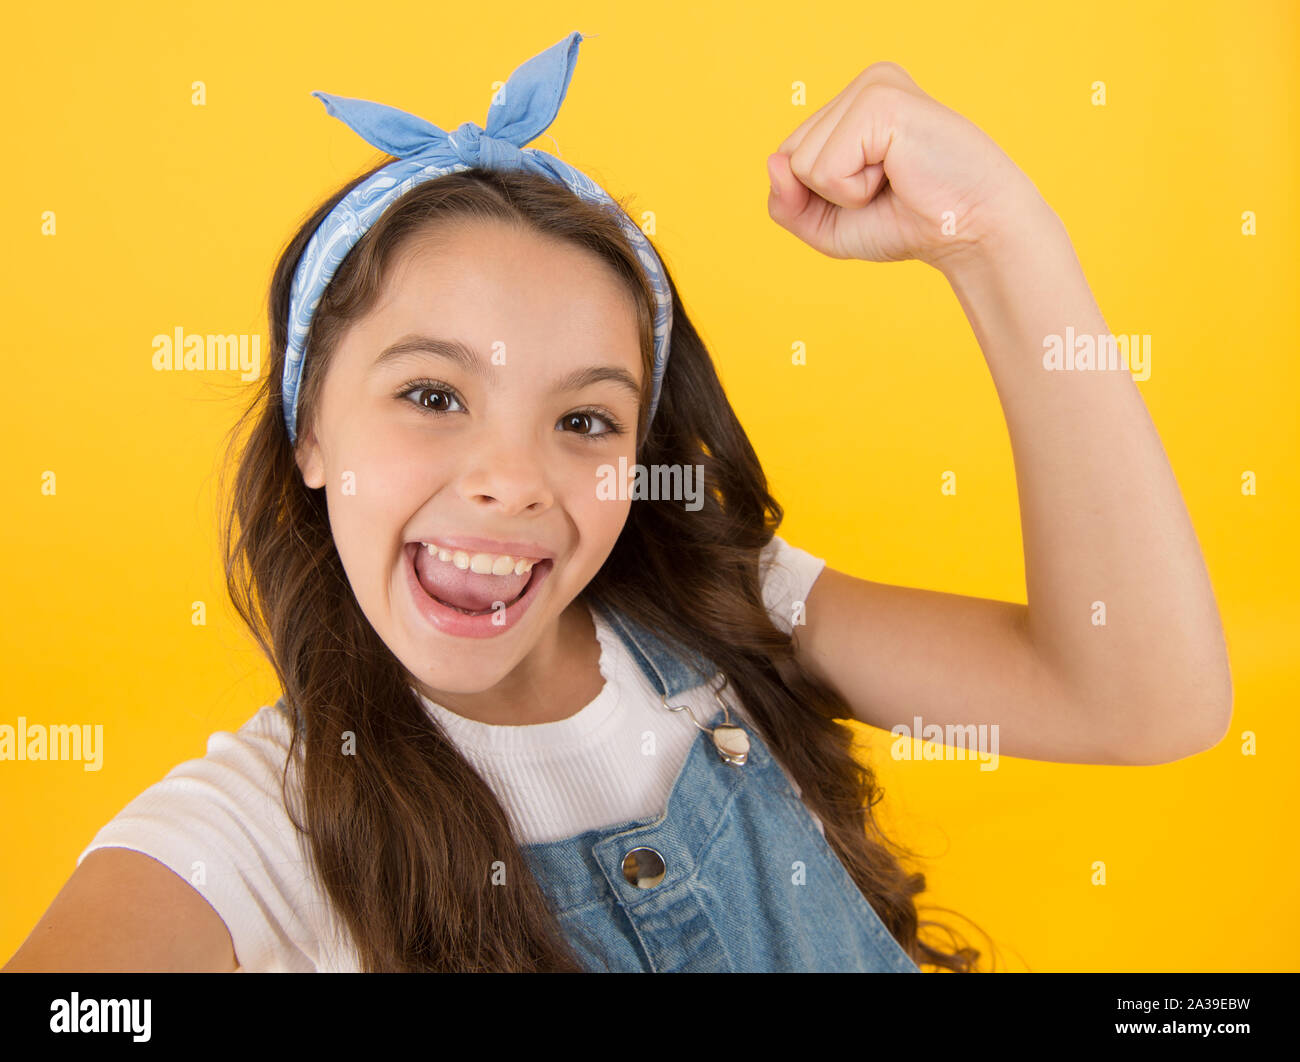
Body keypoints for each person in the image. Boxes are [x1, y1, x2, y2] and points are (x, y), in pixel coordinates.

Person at [4, 32, 1230, 974]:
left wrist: (999, 236)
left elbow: (1145, 699)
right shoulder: (247, 836)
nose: (513, 479)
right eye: (432, 393)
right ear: (309, 427)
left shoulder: (734, 623)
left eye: (584, 419)